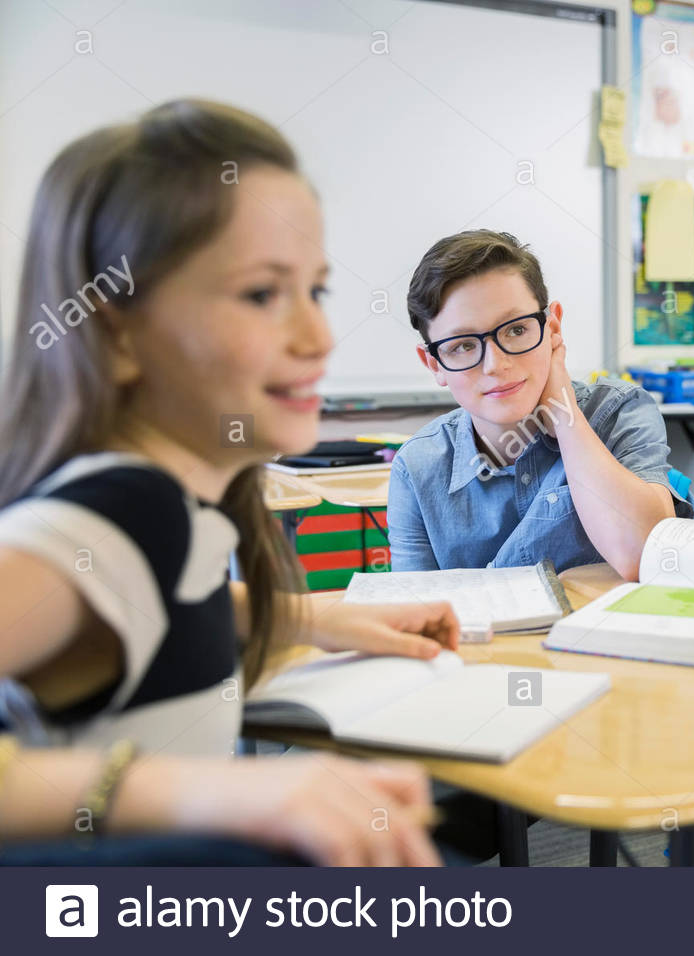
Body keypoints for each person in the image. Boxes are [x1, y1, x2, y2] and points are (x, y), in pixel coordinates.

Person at [0, 99, 460, 865]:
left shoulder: (159, 520)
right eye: (260, 294)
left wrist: (312, 619)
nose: (317, 338)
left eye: (316, 291)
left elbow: (152, 603)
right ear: (117, 329)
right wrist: (198, 794)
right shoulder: (120, 518)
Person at [388, 229, 692, 579]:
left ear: (552, 327)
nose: (495, 365)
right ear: (435, 364)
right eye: (463, 345)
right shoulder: (418, 467)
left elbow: (644, 556)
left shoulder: (619, 412)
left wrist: (565, 415)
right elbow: (416, 613)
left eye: (516, 330)